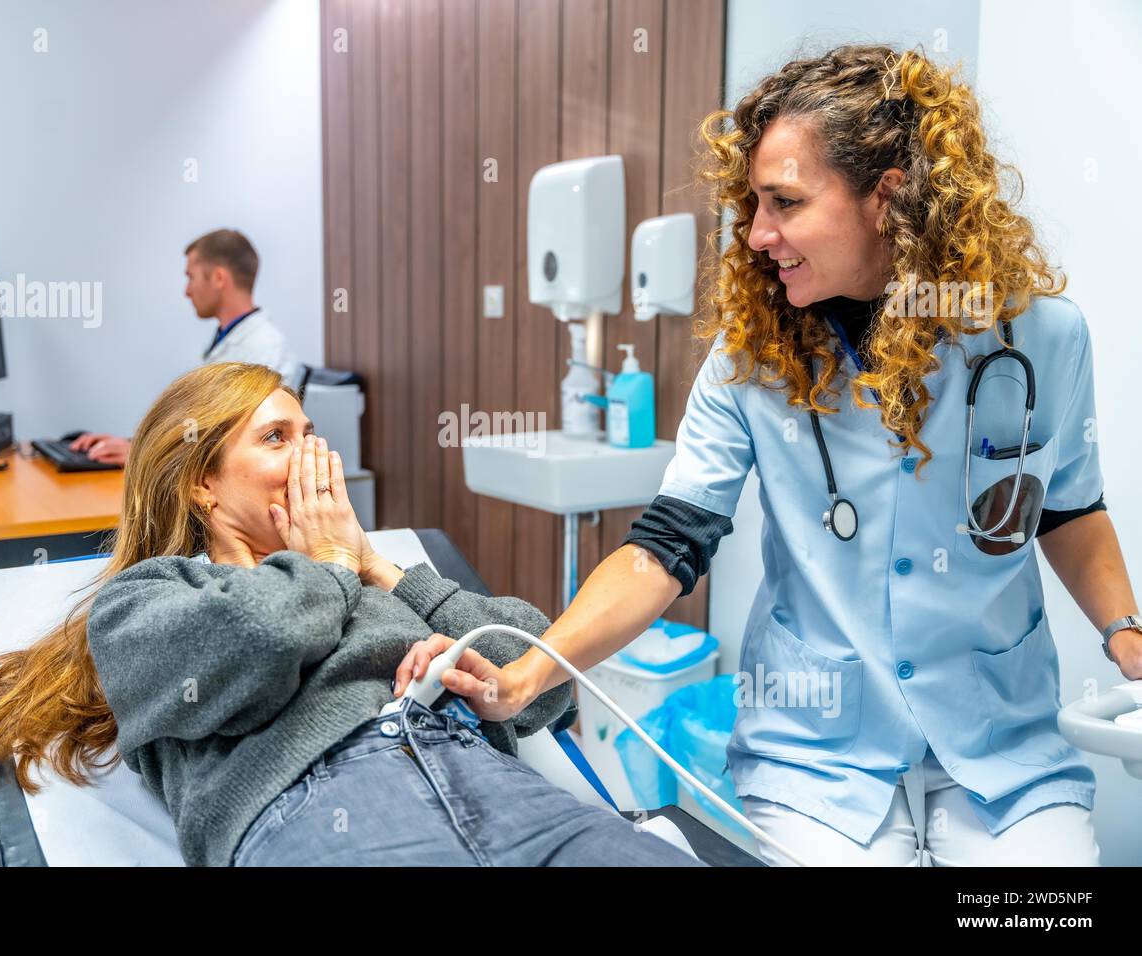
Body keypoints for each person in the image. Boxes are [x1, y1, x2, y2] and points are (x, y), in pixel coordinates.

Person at [394, 44, 1142, 866]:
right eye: (752, 203)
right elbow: (666, 546)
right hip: (818, 754)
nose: (756, 234)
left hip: (1001, 748)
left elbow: (1069, 508)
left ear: (887, 198)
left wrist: (1127, 632)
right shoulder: (751, 359)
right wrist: (531, 673)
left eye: (783, 202)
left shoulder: (1040, 338)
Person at [0, 362, 701, 867]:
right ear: (203, 486)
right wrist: (333, 564)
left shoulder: (371, 581)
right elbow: (261, 638)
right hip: (316, 812)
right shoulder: (150, 597)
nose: (312, 459)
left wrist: (381, 569)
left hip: (497, 789)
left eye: (311, 436)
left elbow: (547, 670)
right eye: (277, 439)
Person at [69, 228, 301, 466]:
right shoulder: (229, 340)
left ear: (219, 278)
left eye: (191, 277)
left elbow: (228, 443)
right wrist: (136, 445)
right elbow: (202, 426)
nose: (187, 290)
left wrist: (144, 455)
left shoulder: (265, 350)